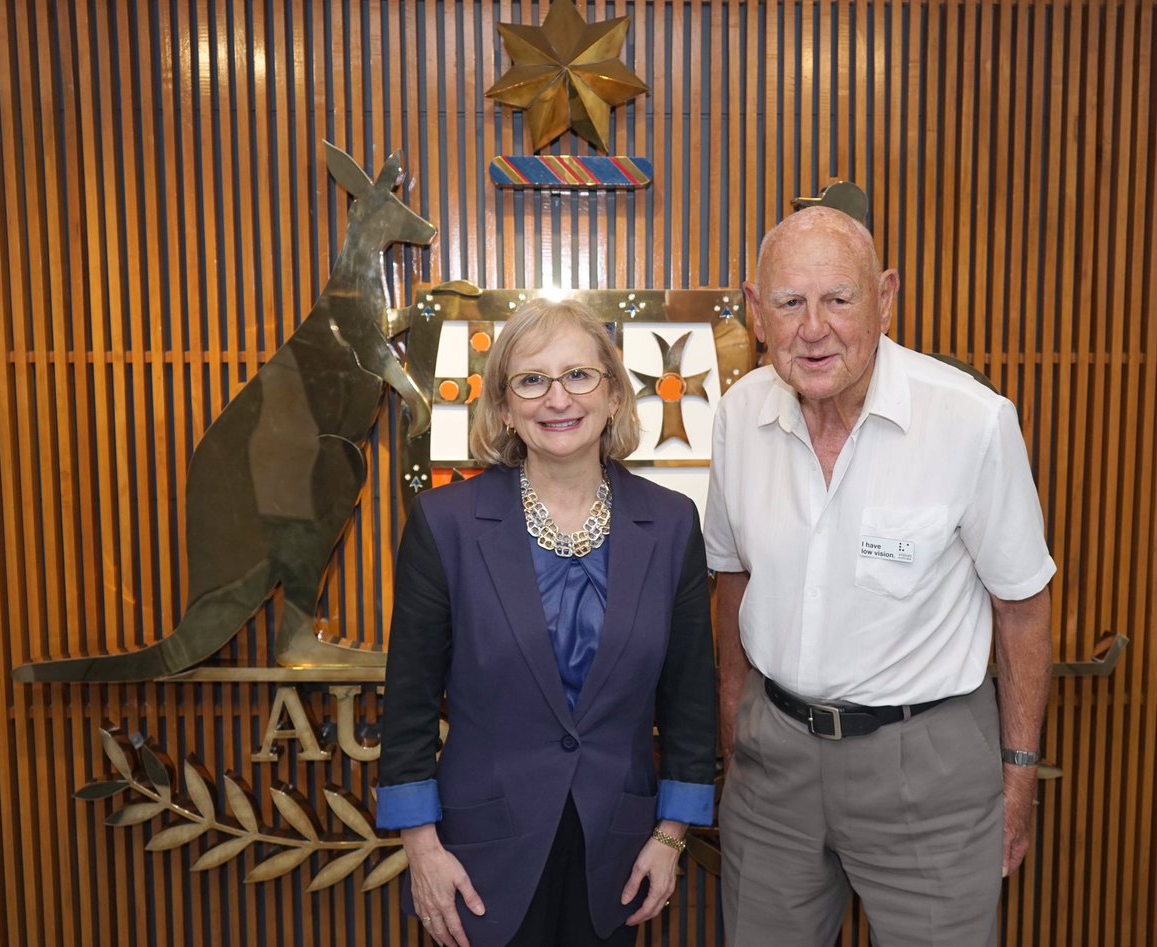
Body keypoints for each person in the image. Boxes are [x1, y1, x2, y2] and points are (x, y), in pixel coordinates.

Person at [705, 207, 1055, 946]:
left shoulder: (972, 421)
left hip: (927, 765)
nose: (813, 328)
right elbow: (732, 579)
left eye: (839, 298)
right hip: (775, 763)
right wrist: (737, 731)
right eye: (789, 302)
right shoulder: (737, 416)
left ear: (886, 297)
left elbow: (1022, 606)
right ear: (754, 311)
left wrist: (1017, 780)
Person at [377, 299, 717, 947]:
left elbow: (690, 699)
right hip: (478, 857)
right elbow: (410, 704)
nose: (557, 398)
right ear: (504, 407)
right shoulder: (444, 524)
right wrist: (421, 848)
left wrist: (671, 835)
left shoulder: (671, 525)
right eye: (531, 380)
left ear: (614, 393)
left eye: (579, 376)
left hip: (618, 856)